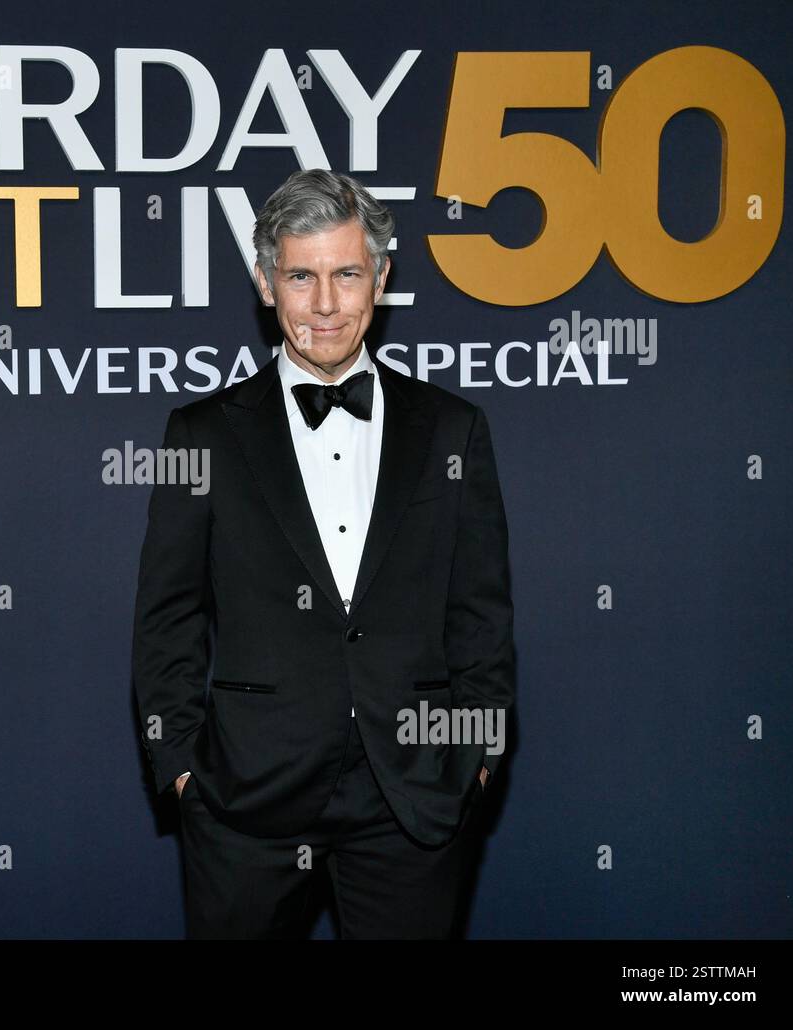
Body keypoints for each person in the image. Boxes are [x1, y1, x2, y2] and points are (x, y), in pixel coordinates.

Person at [131, 168, 515, 939]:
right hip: (247, 801)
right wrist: (181, 770)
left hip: (411, 799)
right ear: (267, 285)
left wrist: (473, 757)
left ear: (381, 275)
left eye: (346, 273)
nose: (327, 303)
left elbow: (480, 613)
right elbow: (167, 618)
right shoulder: (200, 434)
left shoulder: (452, 429)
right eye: (302, 277)